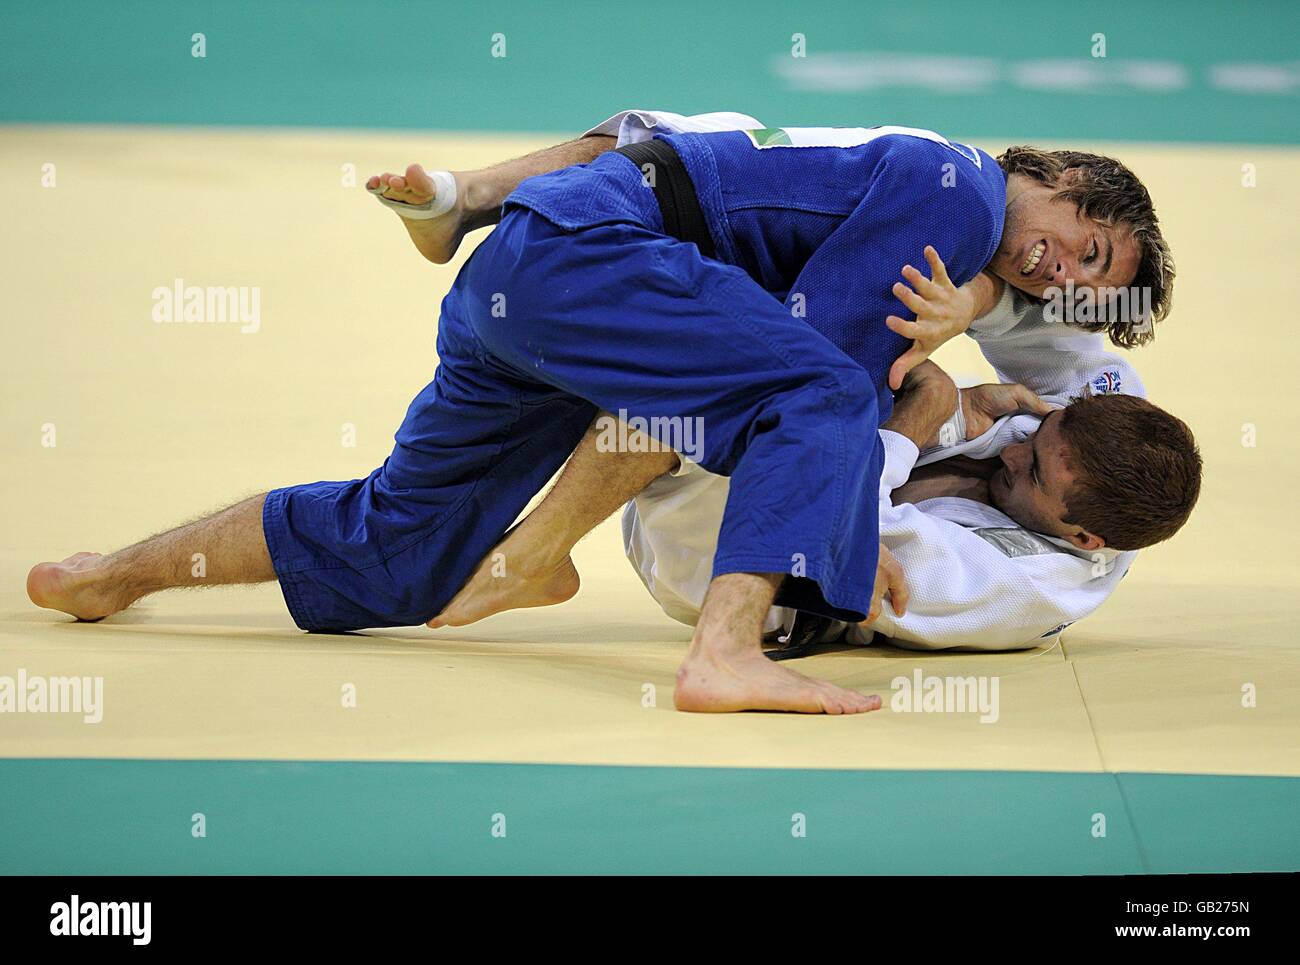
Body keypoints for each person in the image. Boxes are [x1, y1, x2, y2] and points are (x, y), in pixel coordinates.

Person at [26, 110, 1169, 715]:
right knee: (824, 385)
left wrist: (949, 354)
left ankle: (114, 572)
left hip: (526, 280)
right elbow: (814, 362)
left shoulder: (945, 212)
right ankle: (719, 650)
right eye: (1083, 246)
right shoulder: (959, 190)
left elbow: (637, 146)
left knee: (402, 550)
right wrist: (843, 536)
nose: (1058, 271)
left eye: (1078, 282)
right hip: (595, 253)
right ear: (1066, 181)